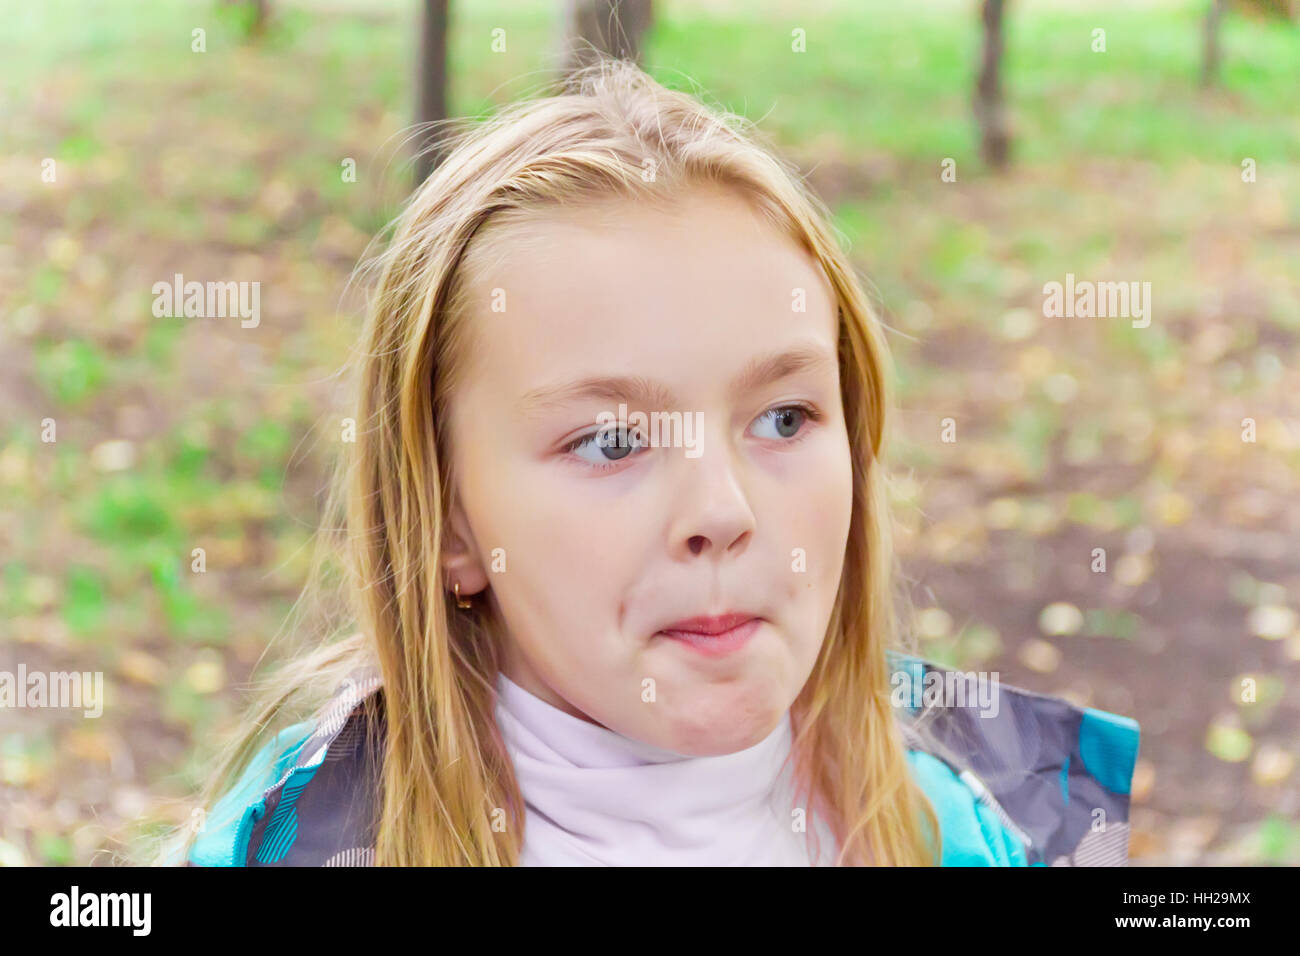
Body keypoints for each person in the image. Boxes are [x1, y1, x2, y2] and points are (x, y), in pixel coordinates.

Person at [164, 57, 1138, 867]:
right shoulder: (294, 846)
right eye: (610, 441)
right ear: (450, 522)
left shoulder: (989, 826)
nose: (721, 509)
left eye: (784, 417)